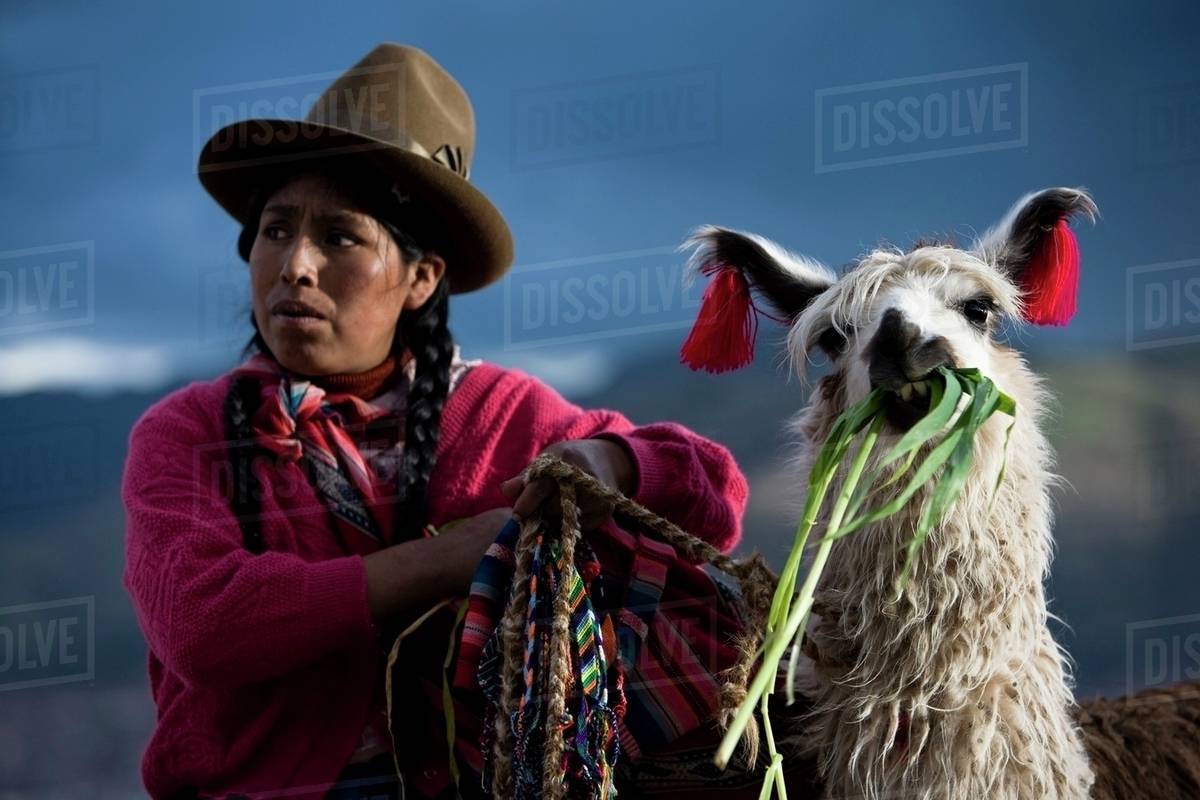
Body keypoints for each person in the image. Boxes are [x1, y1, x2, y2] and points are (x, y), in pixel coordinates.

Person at [121, 43, 748, 800]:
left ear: (421, 278)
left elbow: (714, 492)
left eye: (339, 237)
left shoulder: (501, 415)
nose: (295, 266)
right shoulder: (188, 434)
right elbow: (203, 625)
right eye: (277, 231)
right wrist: (449, 560)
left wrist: (607, 466)